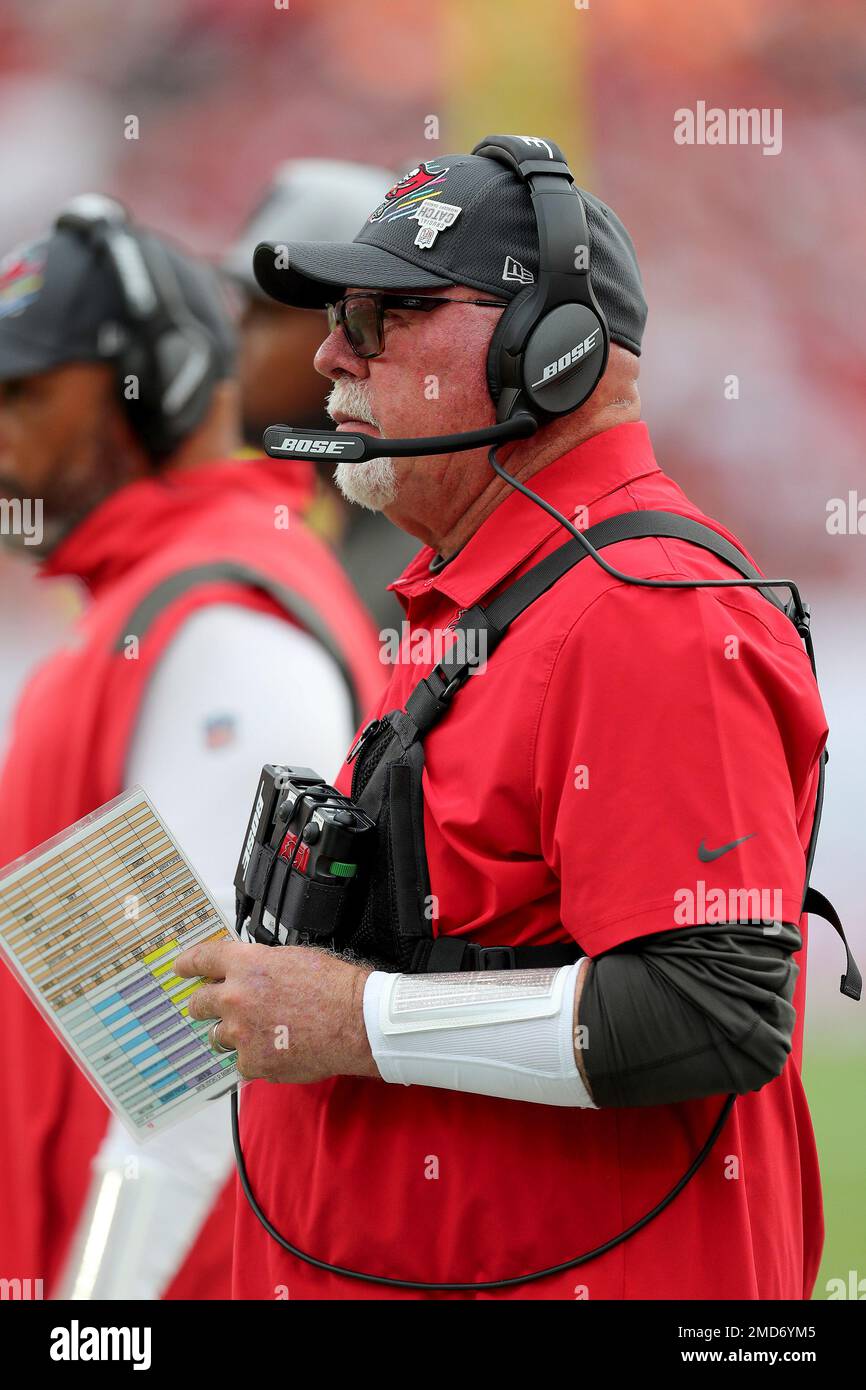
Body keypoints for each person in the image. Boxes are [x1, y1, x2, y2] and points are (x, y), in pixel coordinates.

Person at [174, 136, 860, 1301]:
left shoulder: (642, 614)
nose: (332, 351)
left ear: (550, 351)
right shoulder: (493, 589)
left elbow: (713, 1007)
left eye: (382, 313)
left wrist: (355, 1018)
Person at [0, 199, 383, 1298]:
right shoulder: (154, 606)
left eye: (27, 391)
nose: (1, 431)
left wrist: (92, 1320)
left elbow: (197, 1068)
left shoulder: (220, 625)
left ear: (155, 380)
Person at [222, 158, 418, 628]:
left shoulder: (418, 561)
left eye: (265, 314)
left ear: (359, 326)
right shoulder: (367, 535)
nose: (235, 337)